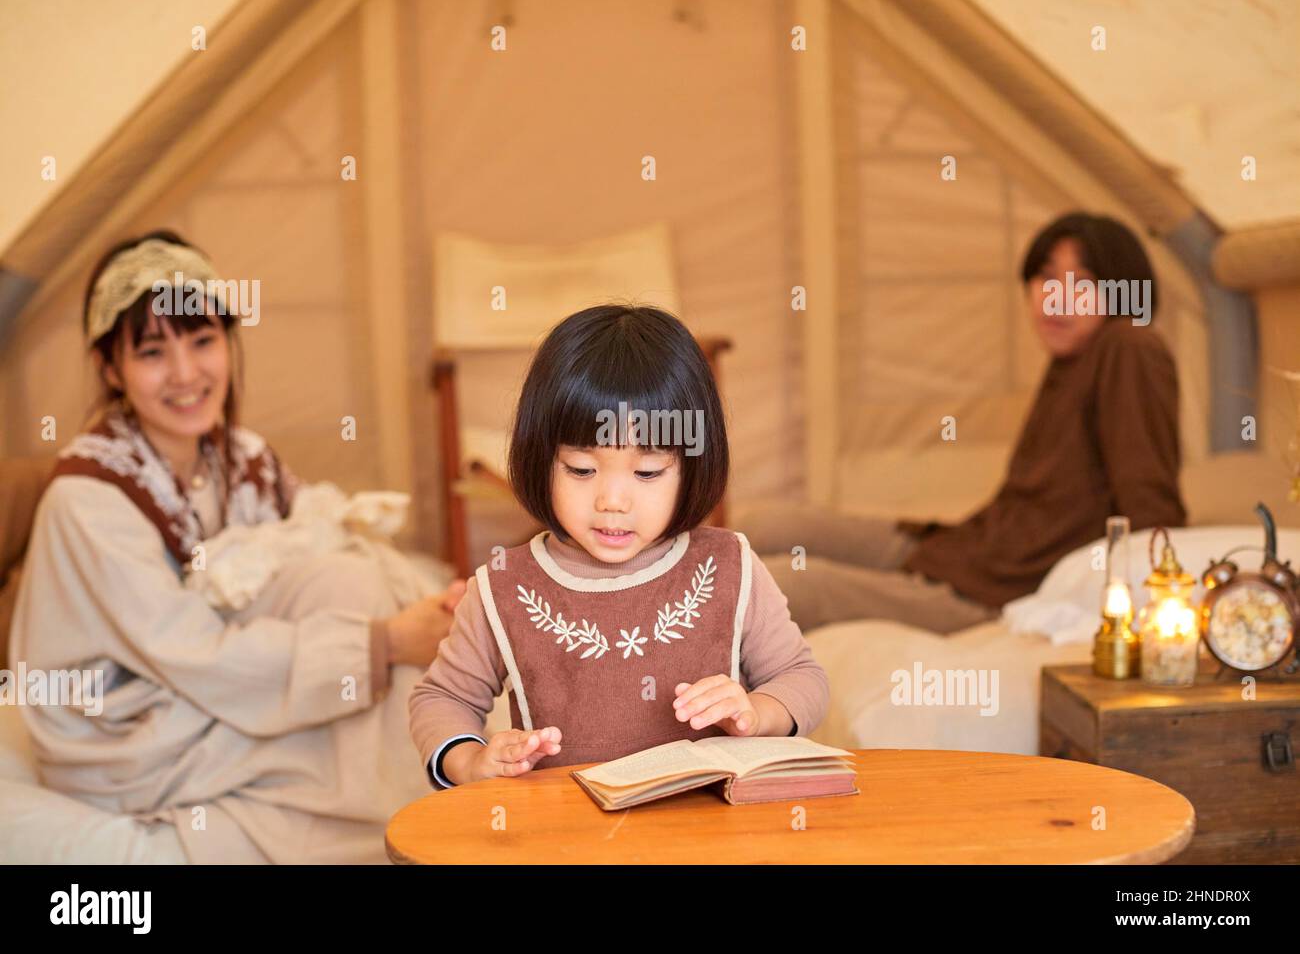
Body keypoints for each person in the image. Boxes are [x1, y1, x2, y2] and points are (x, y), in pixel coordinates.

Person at [10, 231, 465, 863]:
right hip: (125, 729)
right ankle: (425, 827)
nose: (186, 374)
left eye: (202, 341)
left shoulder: (238, 457)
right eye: (152, 352)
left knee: (353, 577)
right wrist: (383, 643)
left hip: (216, 686)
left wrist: (435, 614)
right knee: (364, 657)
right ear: (111, 368)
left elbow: (318, 547)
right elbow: (190, 651)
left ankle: (432, 813)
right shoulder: (86, 500)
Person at [409, 305, 829, 786]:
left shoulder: (729, 566)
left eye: (647, 472)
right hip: (569, 844)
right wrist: (469, 760)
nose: (611, 501)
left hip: (708, 839)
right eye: (581, 470)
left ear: (693, 464)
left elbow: (803, 678)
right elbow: (440, 699)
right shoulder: (502, 588)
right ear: (540, 459)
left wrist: (756, 712)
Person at [736, 212, 1188, 634]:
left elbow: (1150, 499)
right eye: (1048, 278)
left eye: (1083, 283)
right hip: (961, 548)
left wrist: (1158, 605)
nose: (1057, 299)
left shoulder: (1128, 347)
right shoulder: (1074, 357)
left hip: (992, 589)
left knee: (782, 586)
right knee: (767, 526)